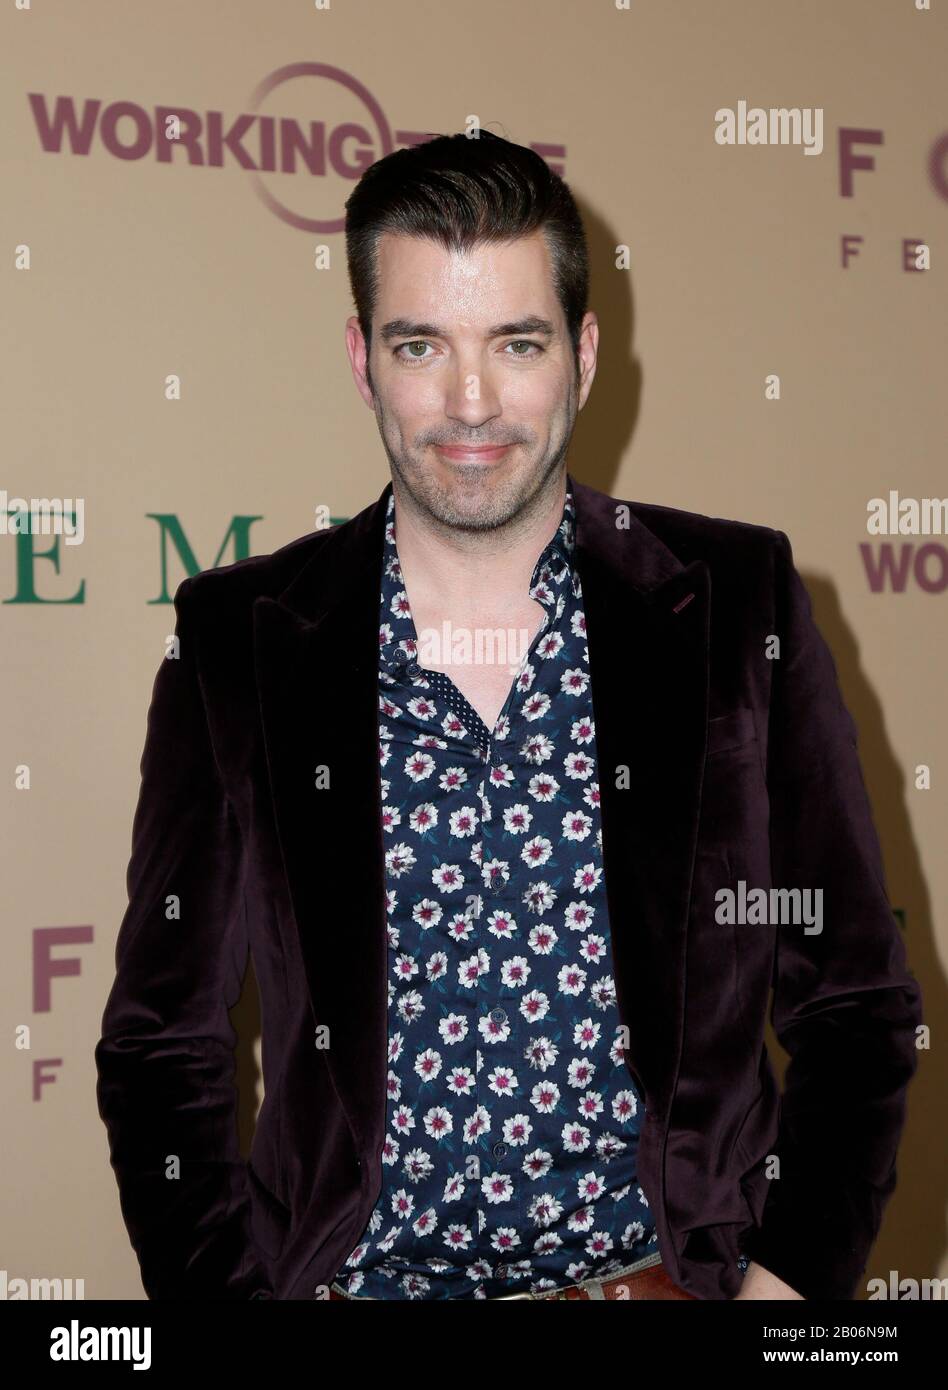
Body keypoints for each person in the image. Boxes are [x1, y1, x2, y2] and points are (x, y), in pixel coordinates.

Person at [95, 130, 923, 1302]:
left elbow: (854, 1007)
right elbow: (160, 1046)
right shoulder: (243, 638)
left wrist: (781, 1297)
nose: (469, 402)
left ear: (582, 355)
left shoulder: (734, 605)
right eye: (421, 343)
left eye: (516, 343)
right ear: (361, 356)